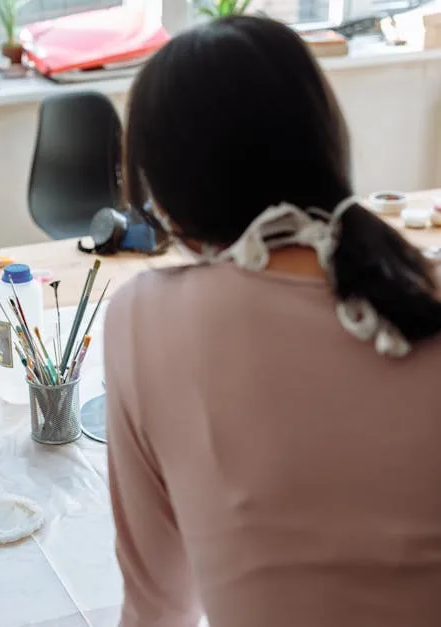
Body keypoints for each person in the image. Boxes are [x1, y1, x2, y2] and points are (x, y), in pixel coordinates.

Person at [104, 15, 441, 627]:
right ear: (325, 142)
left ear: (168, 192)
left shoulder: (144, 317)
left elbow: (158, 607)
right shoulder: (418, 286)